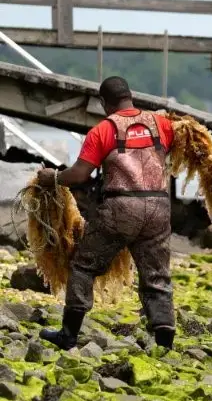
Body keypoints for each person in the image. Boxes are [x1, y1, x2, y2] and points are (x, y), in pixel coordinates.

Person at [37, 75, 176, 351]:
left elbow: (79, 175)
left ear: (104, 103)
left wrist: (52, 178)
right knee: (157, 276)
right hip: (159, 208)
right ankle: (165, 342)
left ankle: (68, 334)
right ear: (130, 95)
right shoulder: (162, 124)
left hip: (121, 208)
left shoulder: (103, 130)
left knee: (84, 265)